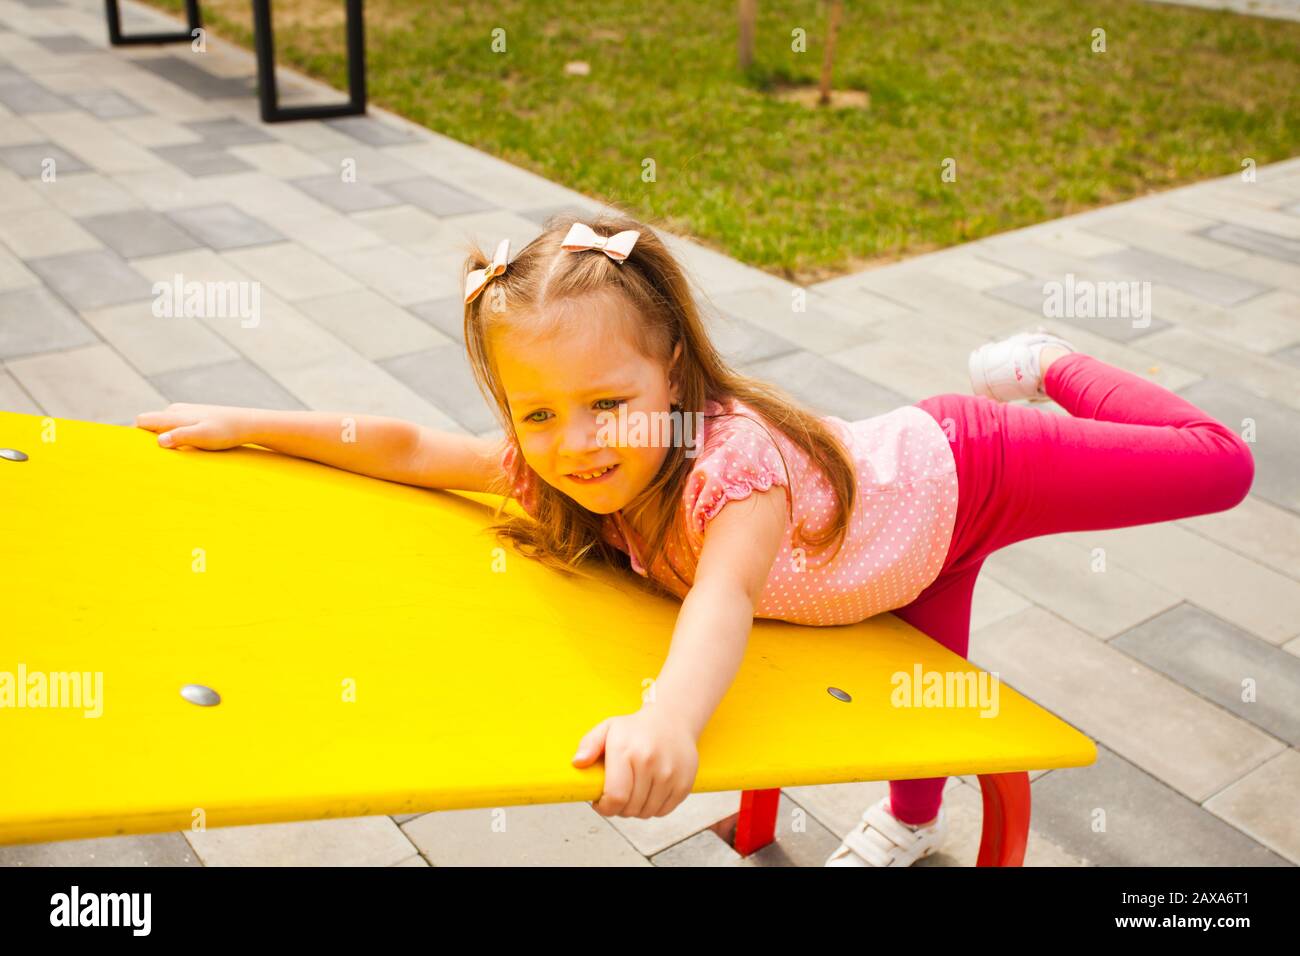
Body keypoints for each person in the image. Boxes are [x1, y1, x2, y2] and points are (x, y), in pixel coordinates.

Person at [135, 212, 1254, 867]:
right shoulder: (568, 465)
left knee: (1221, 464)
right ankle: (910, 824)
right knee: (931, 687)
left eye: (603, 403)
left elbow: (720, 603)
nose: (570, 444)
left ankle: (1049, 360)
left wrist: (668, 718)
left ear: (670, 367)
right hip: (898, 550)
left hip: (973, 468)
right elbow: (414, 447)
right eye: (535, 411)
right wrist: (248, 423)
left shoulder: (733, 466)